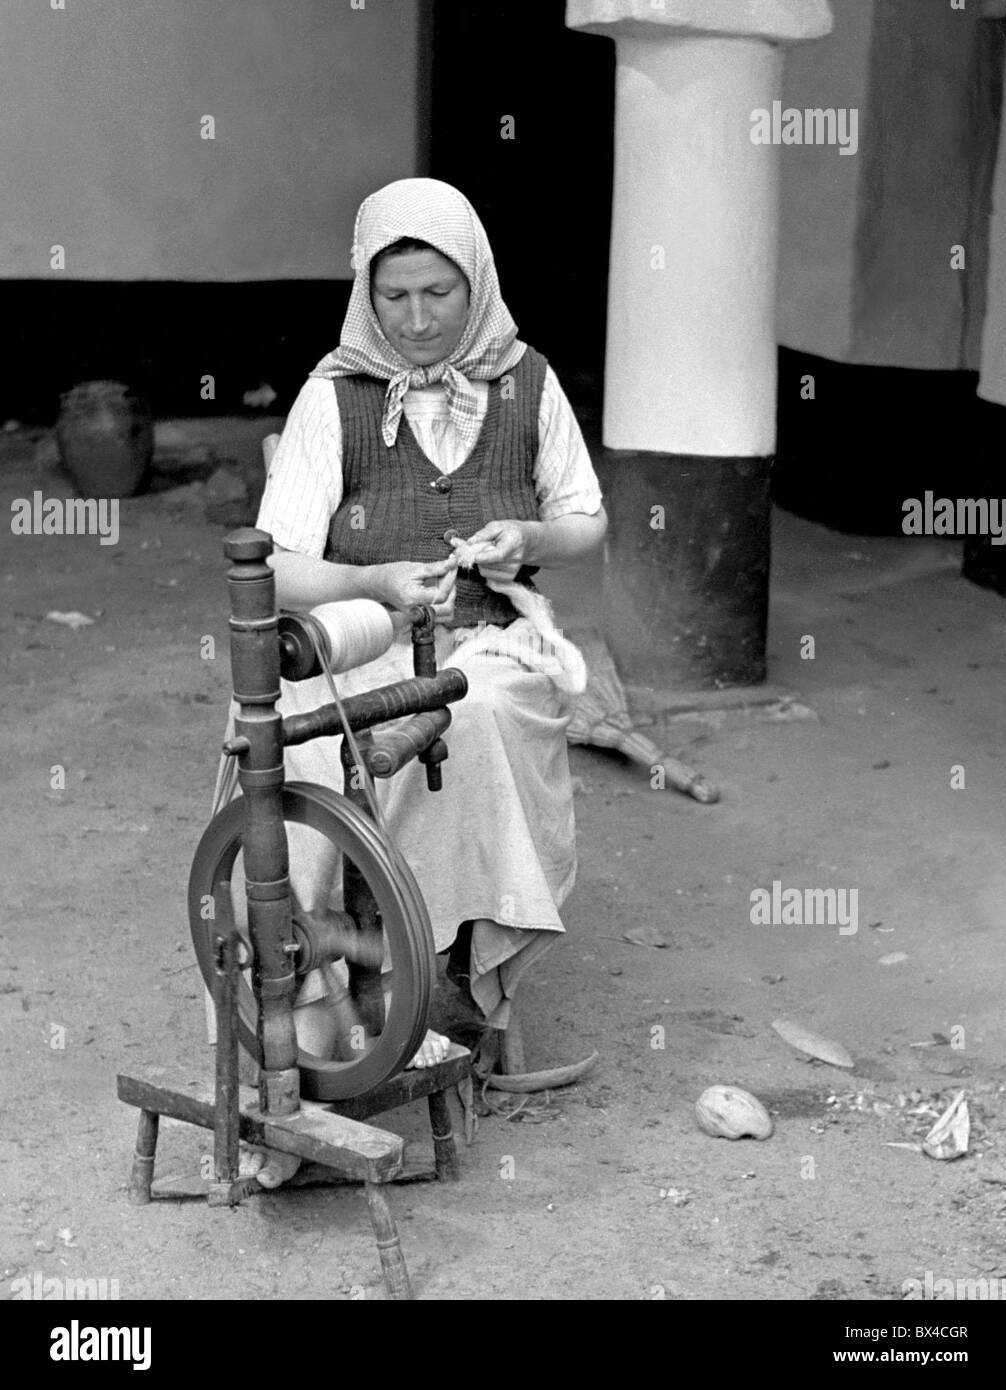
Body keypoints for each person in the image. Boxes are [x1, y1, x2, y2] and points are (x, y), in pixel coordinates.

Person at [241, 178, 606, 1185]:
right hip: (362, 640)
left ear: (474, 280)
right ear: (368, 291)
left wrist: (524, 536)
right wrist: (369, 578)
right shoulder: (336, 393)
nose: (413, 319)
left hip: (486, 640)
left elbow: (585, 520)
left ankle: (449, 990)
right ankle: (327, 1006)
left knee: (476, 712)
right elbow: (273, 563)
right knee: (318, 731)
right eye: (393, 295)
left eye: (436, 293)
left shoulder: (526, 380)